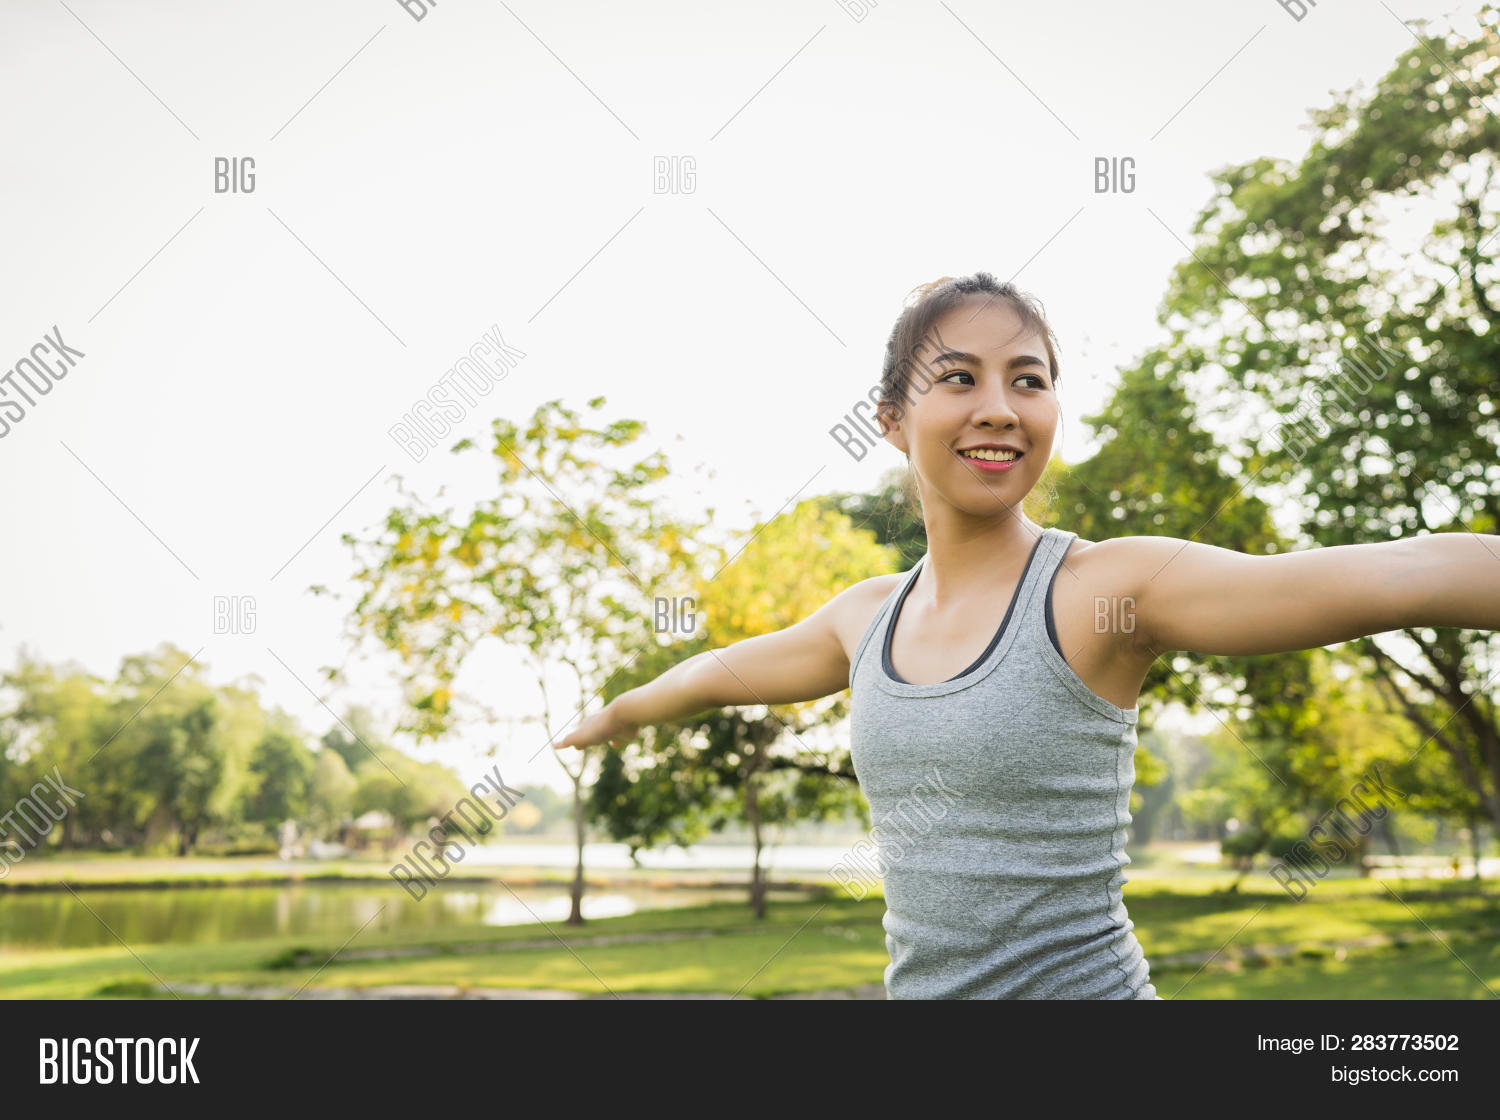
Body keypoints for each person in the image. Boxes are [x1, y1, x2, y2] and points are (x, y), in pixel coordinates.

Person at [553, 271, 1500, 999]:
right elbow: (719, 671)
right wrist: (619, 714)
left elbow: (1399, 573)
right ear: (891, 420)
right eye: (958, 378)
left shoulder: (1099, 591)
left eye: (1029, 380)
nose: (999, 406)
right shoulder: (864, 616)